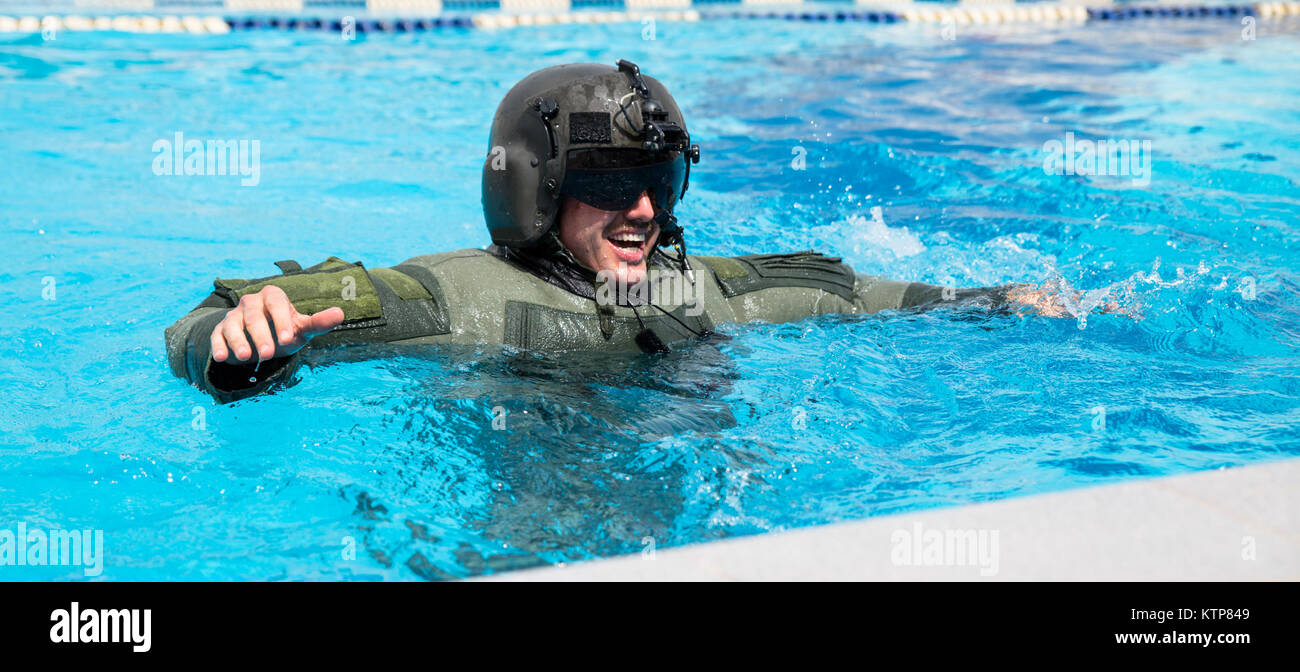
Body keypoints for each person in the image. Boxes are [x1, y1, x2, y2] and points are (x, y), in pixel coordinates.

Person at [165, 60, 1077, 403]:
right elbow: (216, 317)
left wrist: (992, 302)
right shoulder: (459, 299)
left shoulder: (694, 291)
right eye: (609, 183)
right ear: (535, 193)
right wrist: (231, 342)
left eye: (659, 180)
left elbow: (855, 298)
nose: (644, 209)